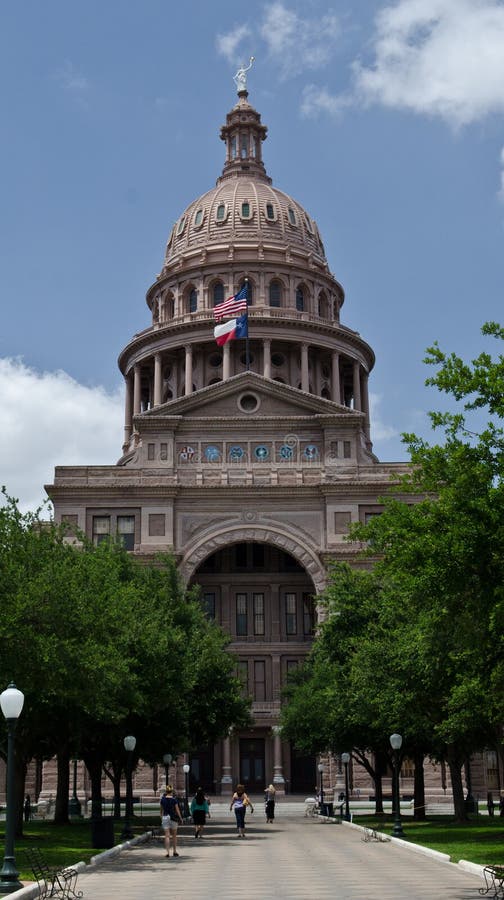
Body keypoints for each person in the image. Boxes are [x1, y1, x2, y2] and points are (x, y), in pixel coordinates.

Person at [160, 785, 183, 857]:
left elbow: (161, 811)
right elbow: (177, 810)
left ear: (166, 791)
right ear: (171, 791)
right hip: (173, 818)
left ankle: (167, 852)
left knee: (167, 836)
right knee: (174, 836)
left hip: (165, 817)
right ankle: (175, 851)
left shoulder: (162, 799)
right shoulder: (174, 800)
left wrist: (161, 818)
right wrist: (180, 818)